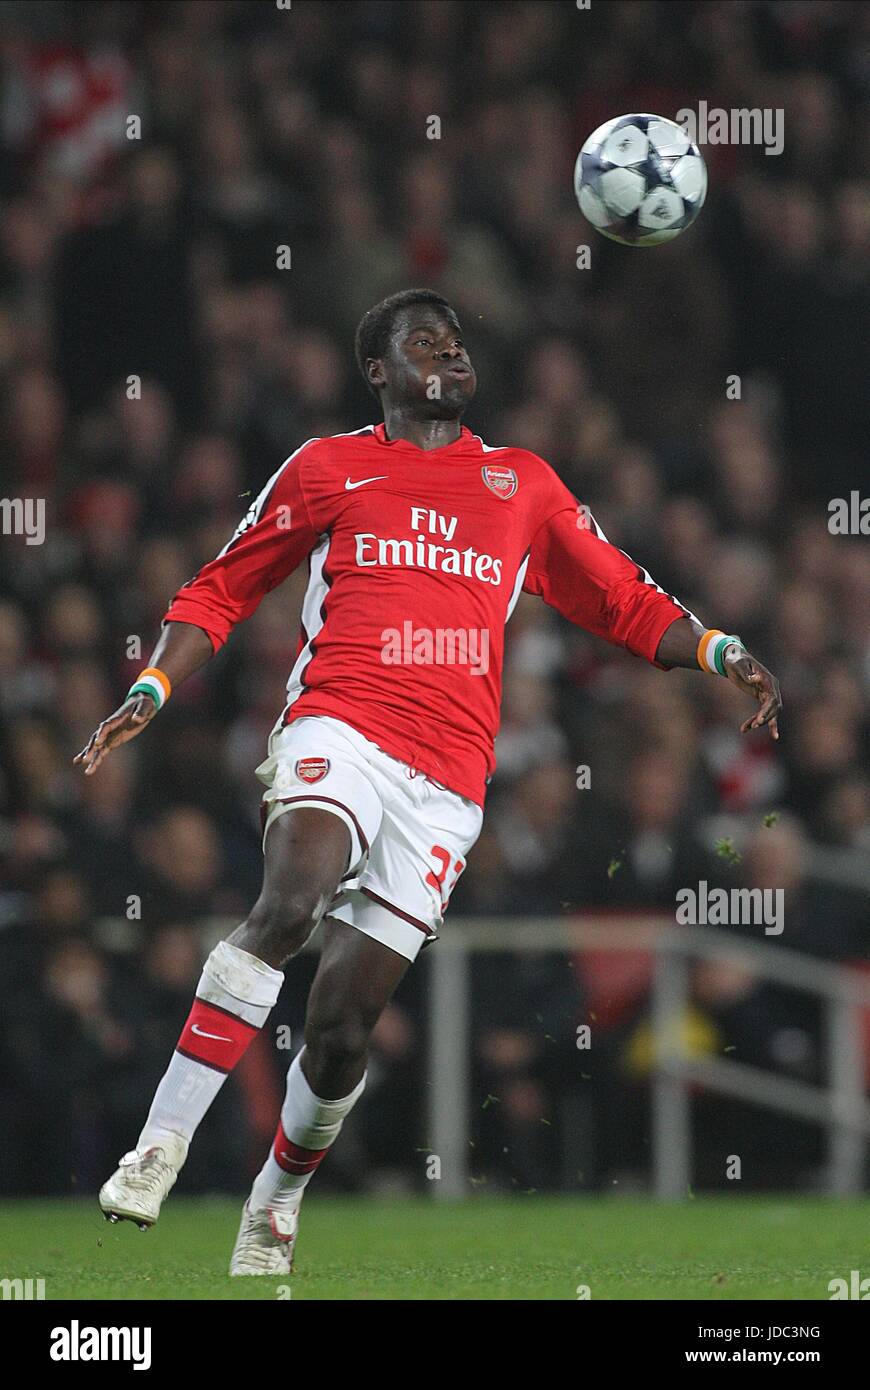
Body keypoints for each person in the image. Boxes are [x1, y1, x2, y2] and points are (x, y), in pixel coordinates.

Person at [75, 288, 782, 1274]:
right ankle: (160, 1144)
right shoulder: (330, 466)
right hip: (342, 724)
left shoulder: (521, 482)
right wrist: (151, 684)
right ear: (378, 371)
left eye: (455, 340)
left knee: (341, 1028)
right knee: (290, 898)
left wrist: (719, 647)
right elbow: (222, 584)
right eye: (422, 341)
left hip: (448, 781)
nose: (447, 351)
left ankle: (275, 1199)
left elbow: (616, 593)